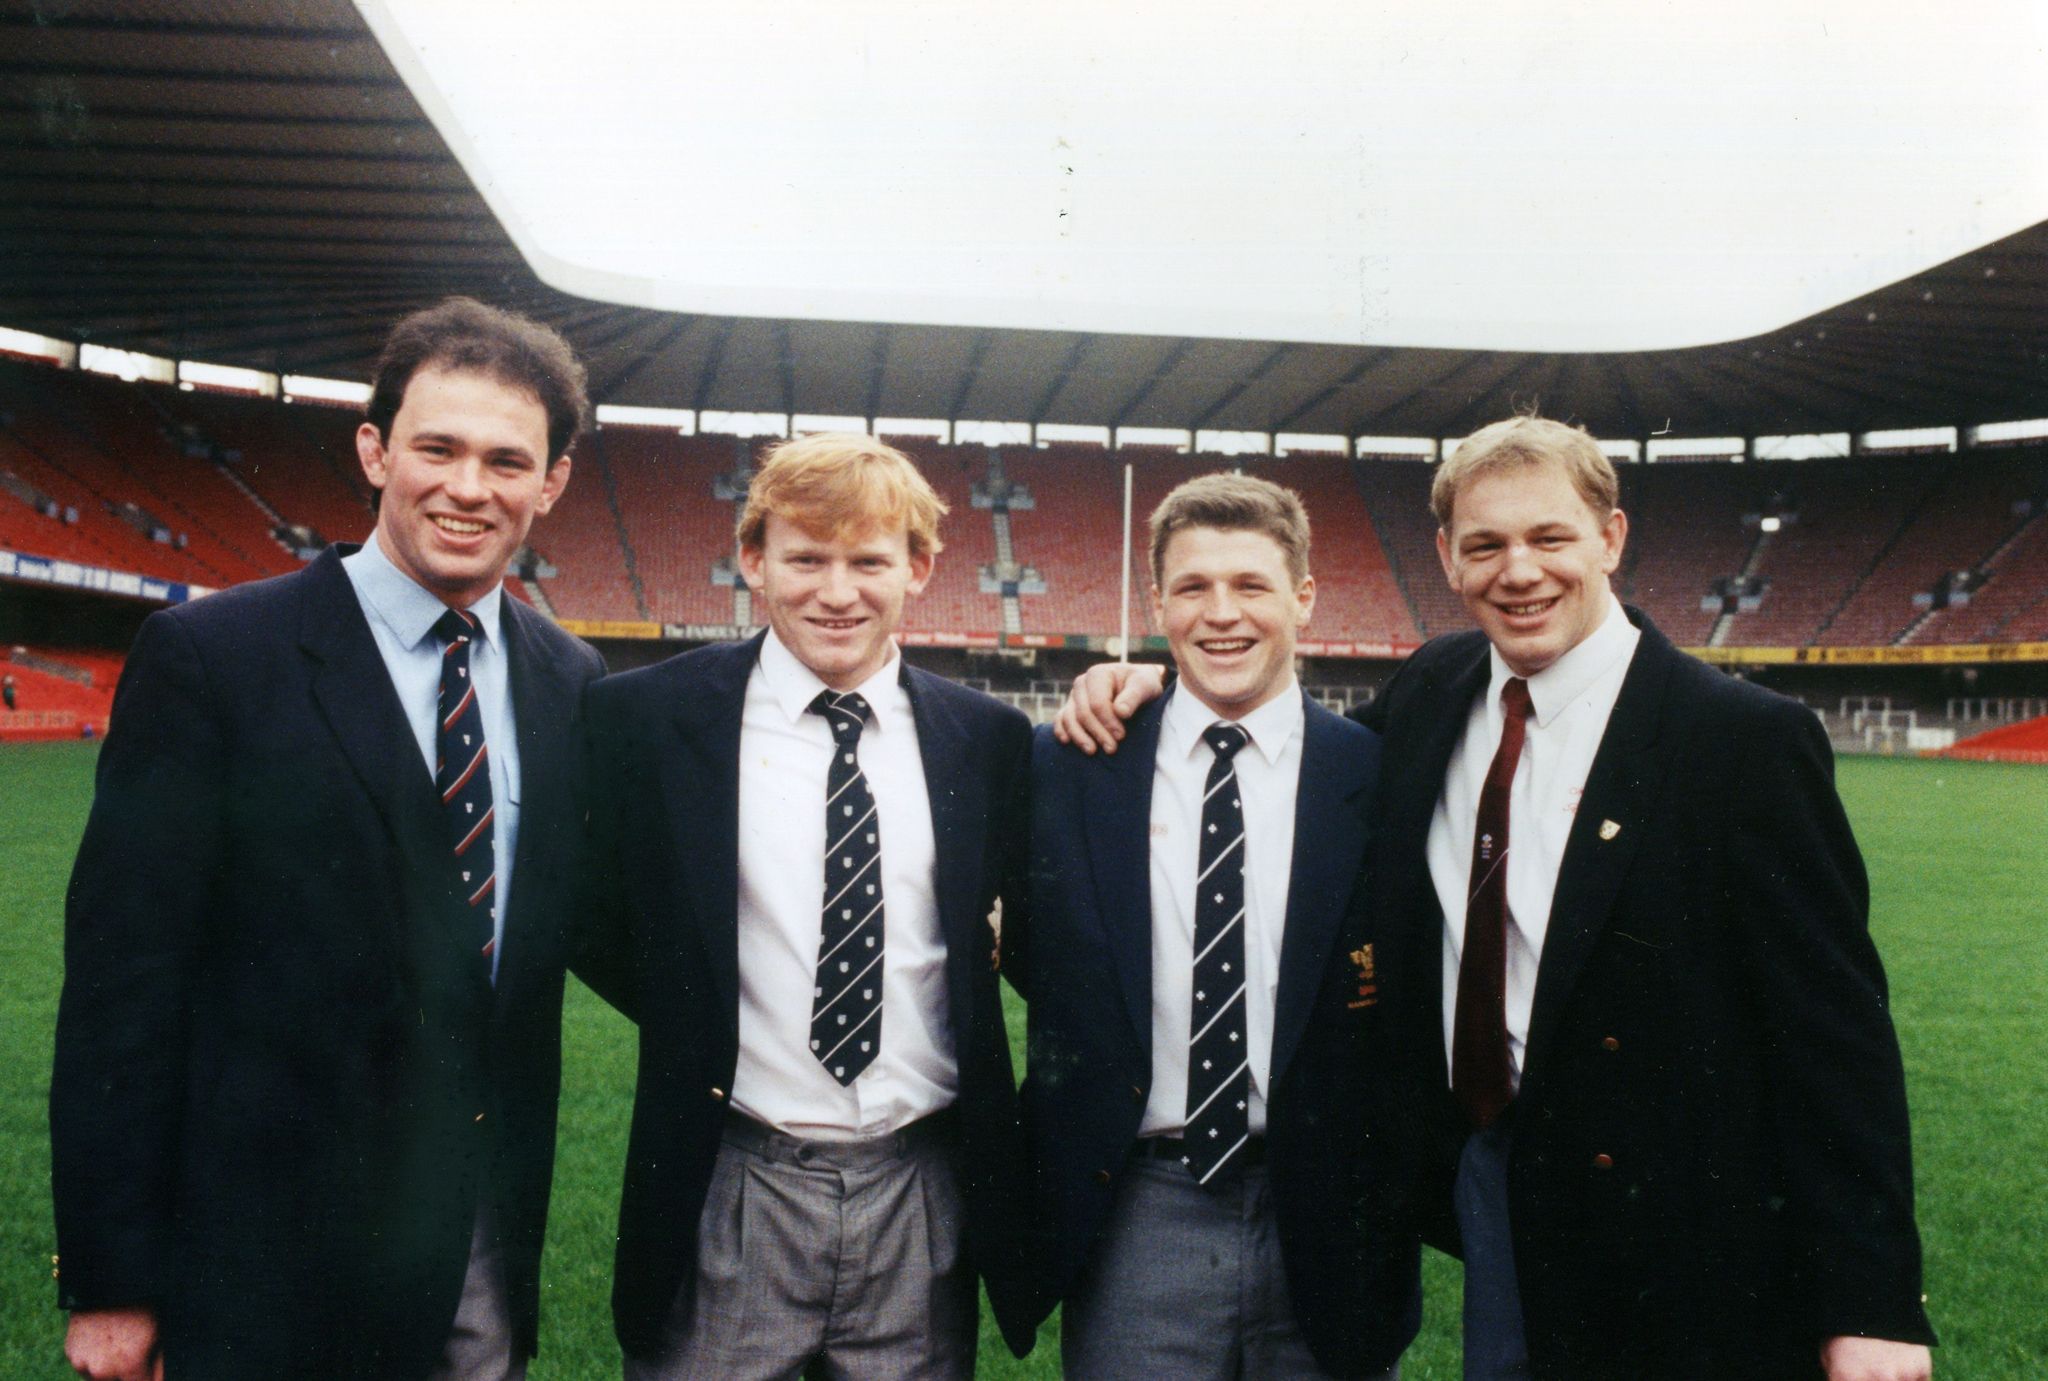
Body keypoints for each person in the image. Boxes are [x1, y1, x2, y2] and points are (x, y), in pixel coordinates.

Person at [1056, 417, 1934, 1381]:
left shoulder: (1740, 740)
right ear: (1447, 558)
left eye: (1550, 538)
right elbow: (1269, 739)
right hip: (1496, 1182)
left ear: (1611, 538)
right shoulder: (1437, 692)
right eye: (1486, 545)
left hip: (1683, 1222)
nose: (1520, 571)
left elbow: (1837, 1033)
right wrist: (1148, 680)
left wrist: (1872, 1300)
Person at [51, 298, 606, 1381]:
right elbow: (123, 983)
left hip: (477, 1253)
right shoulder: (214, 656)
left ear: (551, 485)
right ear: (373, 450)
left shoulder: (570, 680)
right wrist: (114, 1279)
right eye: (435, 448)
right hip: (259, 1256)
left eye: (506, 460)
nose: (466, 487)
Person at [581, 433, 1038, 1378]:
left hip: (920, 1181)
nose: (838, 591)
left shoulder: (985, 738)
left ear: (917, 566)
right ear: (753, 561)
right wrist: (693, 1008)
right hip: (733, 1172)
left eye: (869, 560)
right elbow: (594, 919)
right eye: (806, 559)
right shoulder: (649, 719)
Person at [1027, 473, 1417, 1379]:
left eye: (1251, 585)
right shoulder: (1075, 761)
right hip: (1141, 1200)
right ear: (1156, 602)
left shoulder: (1381, 771)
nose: (1222, 613)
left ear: (1304, 598)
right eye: (1194, 587)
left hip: (1327, 1199)